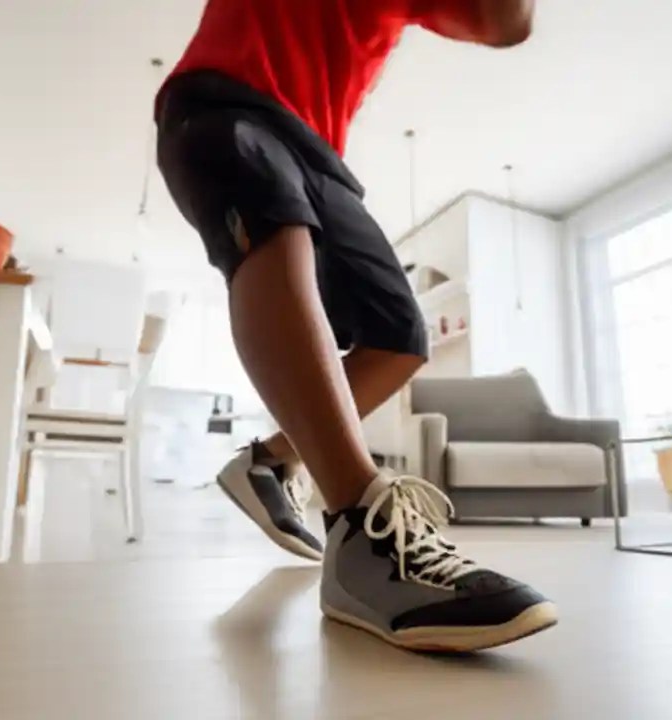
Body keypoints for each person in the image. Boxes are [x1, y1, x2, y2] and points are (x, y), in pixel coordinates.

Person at [155, 0, 555, 652]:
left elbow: (505, 22)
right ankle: (362, 533)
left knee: (400, 335)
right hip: (222, 102)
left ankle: (269, 464)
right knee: (274, 219)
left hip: (318, 153)